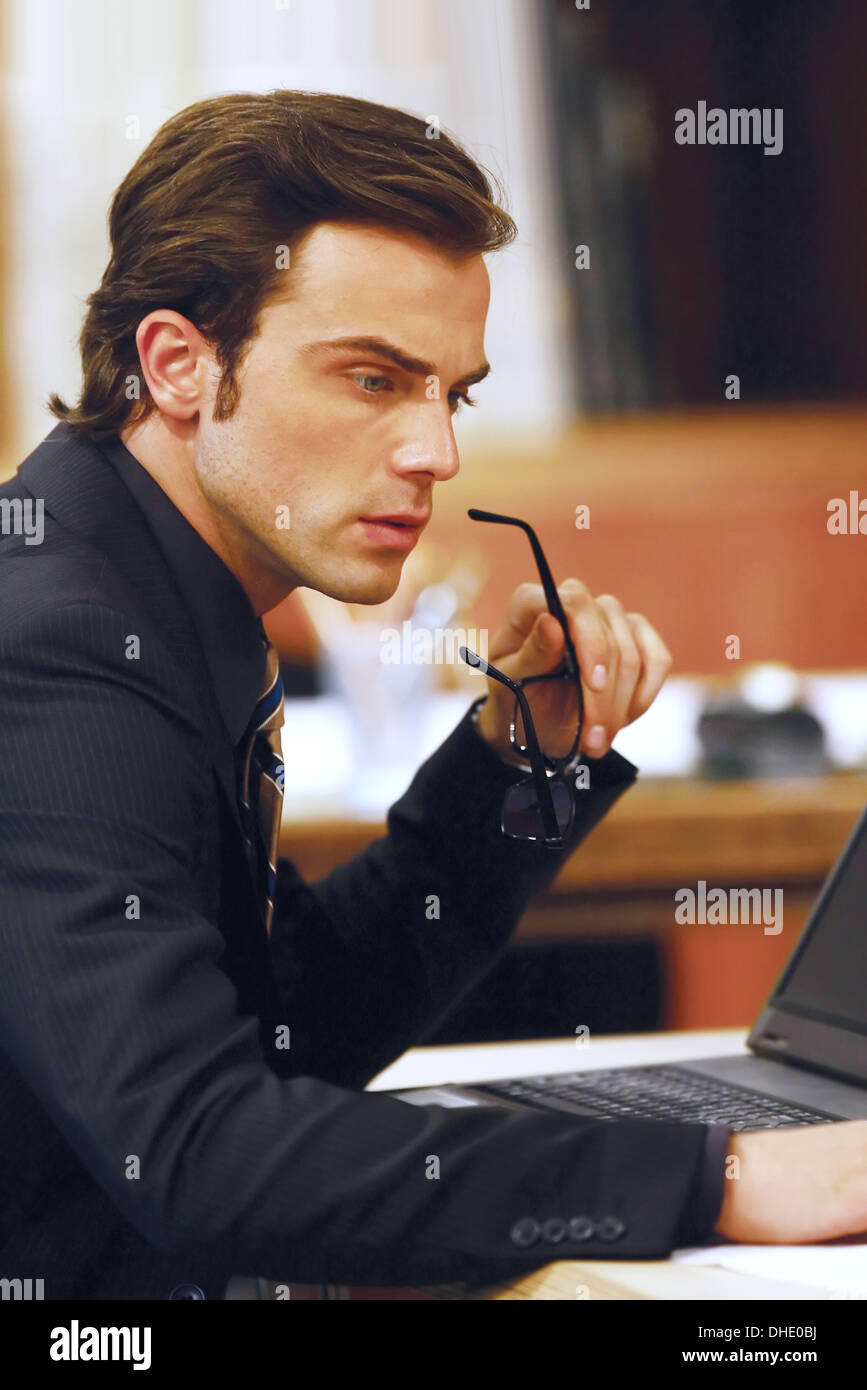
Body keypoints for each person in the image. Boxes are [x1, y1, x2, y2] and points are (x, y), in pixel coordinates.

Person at [0, 91, 864, 1302]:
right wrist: (727, 1179)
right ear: (179, 364)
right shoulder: (59, 645)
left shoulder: (151, 586)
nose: (435, 454)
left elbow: (282, 1027)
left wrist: (515, 764)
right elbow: (198, 1153)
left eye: (448, 393)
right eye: (371, 379)